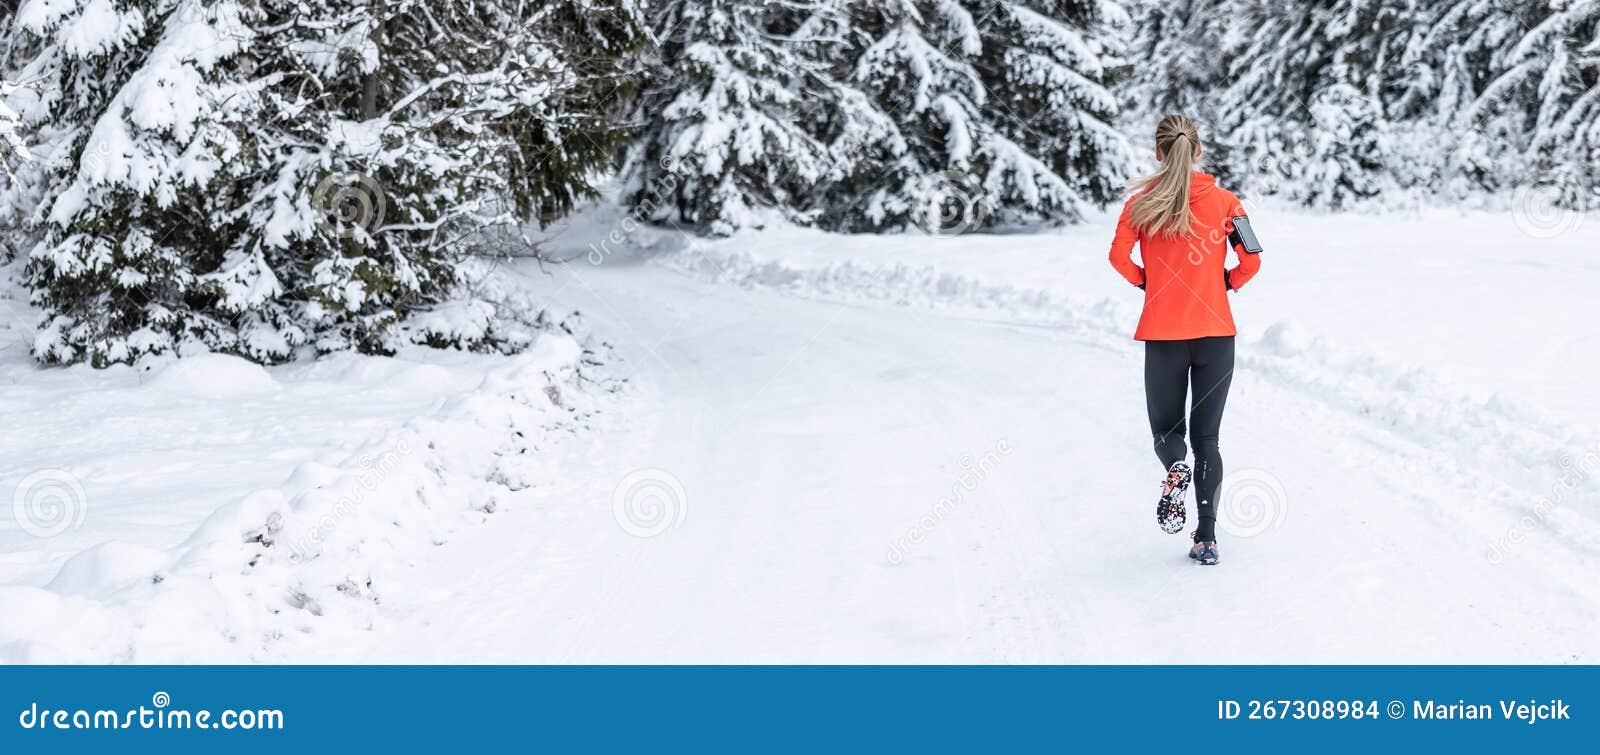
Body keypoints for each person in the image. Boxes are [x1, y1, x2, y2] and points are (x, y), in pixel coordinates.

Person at [1107, 114, 1262, 566]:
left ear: (1159, 153)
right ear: (1198, 151)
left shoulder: (1140, 204)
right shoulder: (1228, 203)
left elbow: (1118, 257)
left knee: (1166, 432)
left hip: (1164, 335)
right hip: (1217, 337)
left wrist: (1146, 283)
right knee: (1207, 438)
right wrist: (1224, 285)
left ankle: (1175, 467)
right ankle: (1207, 539)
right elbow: (1251, 261)